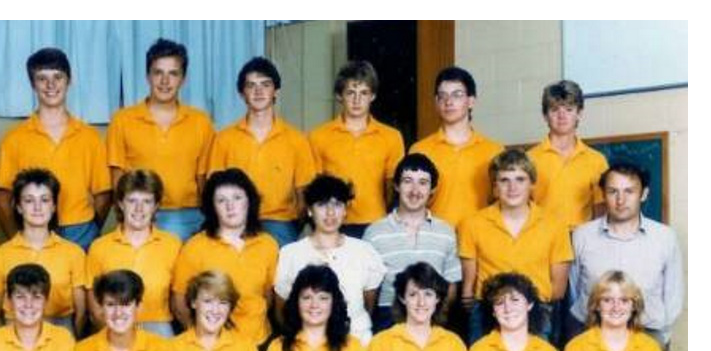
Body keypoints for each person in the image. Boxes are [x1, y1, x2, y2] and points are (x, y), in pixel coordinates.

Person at [0, 47, 111, 250]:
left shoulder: (90, 137)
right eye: (42, 78)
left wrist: (90, 230)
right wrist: (18, 237)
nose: (51, 85)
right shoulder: (14, 139)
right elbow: (3, 197)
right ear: (33, 84)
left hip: (80, 231)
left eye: (58, 77)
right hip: (34, 229)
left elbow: (103, 194)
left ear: (69, 81)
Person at [458, 149, 573, 344]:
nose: (512, 187)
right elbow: (468, 289)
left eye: (520, 179)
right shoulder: (472, 224)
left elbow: (558, 289)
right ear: (495, 187)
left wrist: (525, 305)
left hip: (537, 310)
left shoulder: (555, 225)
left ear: (532, 184)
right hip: (487, 310)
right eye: (504, 180)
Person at [107, 38, 214, 241]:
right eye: (158, 73)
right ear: (148, 76)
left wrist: (208, 221)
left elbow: (203, 178)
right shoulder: (123, 120)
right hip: (140, 216)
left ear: (183, 79)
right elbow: (117, 178)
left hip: (190, 217)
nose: (165, 81)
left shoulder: (201, 121)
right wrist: (125, 219)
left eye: (173, 73)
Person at [569, 163, 683, 349]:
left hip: (647, 334)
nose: (620, 200)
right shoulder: (582, 236)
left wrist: (662, 336)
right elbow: (574, 289)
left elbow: (673, 293)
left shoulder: (665, 237)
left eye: (629, 191)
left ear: (643, 194)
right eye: (613, 191)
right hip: (591, 335)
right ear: (603, 194)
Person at [207, 56, 317, 246]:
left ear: (276, 91)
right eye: (251, 85)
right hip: (235, 223)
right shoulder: (224, 139)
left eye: (265, 84)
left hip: (281, 223)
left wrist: (294, 225)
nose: (258, 91)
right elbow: (214, 189)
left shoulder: (296, 140)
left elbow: (304, 192)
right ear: (242, 93)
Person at [171, 168, 279, 346]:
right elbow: (179, 303)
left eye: (237, 198)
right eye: (221, 200)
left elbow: (268, 298)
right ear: (212, 207)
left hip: (258, 342)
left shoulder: (268, 244)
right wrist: (202, 339)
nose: (230, 206)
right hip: (214, 346)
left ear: (249, 201)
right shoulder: (195, 247)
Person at [274, 174, 386, 345]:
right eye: (322, 204)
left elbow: (368, 304)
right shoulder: (290, 254)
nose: (330, 212)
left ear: (345, 210)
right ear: (310, 210)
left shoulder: (364, 251)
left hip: (356, 341)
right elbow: (281, 309)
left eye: (337, 204)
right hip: (307, 346)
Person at [363, 154, 461, 333]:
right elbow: (367, 288)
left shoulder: (446, 232)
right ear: (396, 185)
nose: (415, 190)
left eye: (423, 183)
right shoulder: (374, 233)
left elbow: (451, 283)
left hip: (432, 316)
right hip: (387, 317)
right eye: (408, 181)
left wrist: (439, 316)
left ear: (432, 189)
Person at [0, 169, 87, 336]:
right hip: (12, 334)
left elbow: (81, 314)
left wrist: (68, 341)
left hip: (61, 333)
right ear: (18, 206)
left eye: (44, 200)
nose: (37, 207)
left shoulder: (74, 253)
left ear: (53, 206)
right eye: (29, 200)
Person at [308, 60, 405, 238]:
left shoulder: (391, 137)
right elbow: (315, 189)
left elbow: (394, 188)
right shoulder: (318, 136)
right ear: (339, 96)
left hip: (377, 224)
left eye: (364, 93)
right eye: (350, 93)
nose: (357, 100)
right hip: (334, 224)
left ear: (373, 96)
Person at [86, 169, 181, 338]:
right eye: (132, 201)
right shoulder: (99, 247)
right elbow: (94, 307)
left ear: (156, 206)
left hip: (158, 326)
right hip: (112, 326)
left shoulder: (172, 245)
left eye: (147, 201)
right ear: (121, 204)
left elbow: (179, 301)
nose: (139, 208)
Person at [409, 66, 504, 229]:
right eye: (442, 96)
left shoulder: (494, 151)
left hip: (480, 237)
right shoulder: (419, 150)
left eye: (457, 95)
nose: (449, 102)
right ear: (436, 102)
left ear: (471, 101)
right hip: (434, 236)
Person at [527, 80, 609, 229]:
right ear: (545, 116)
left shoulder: (596, 160)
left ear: (579, 114)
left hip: (582, 238)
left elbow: (600, 209)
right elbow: (522, 208)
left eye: (569, 109)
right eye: (554, 110)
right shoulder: (530, 159)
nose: (562, 115)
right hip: (543, 237)